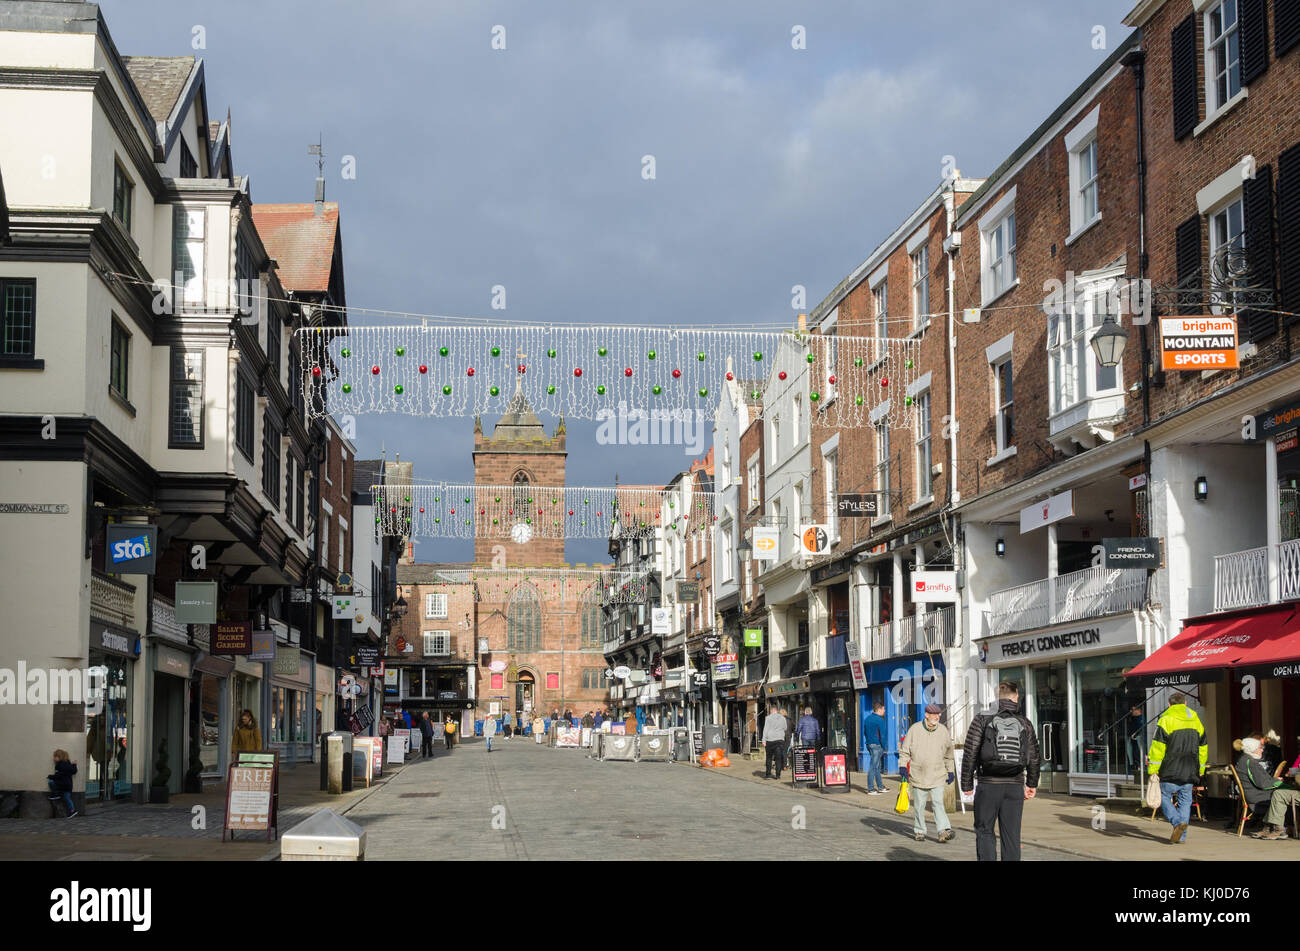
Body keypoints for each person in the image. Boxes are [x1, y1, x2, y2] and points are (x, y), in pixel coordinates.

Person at [960, 681, 1040, 861]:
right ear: (1016, 696)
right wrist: (1031, 784)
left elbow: (970, 752)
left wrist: (966, 784)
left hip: (988, 785)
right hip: (1014, 786)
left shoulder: (982, 719)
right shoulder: (1024, 722)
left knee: (984, 831)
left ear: (996, 697)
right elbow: (1034, 756)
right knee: (1011, 836)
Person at [1147, 690, 1208, 845]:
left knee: (1164, 797)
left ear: (1169, 704)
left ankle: (1176, 823)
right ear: (1185, 703)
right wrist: (1201, 769)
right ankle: (1181, 836)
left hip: (1170, 769)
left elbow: (1157, 748)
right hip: (1190, 770)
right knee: (1185, 801)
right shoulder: (1196, 720)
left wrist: (1153, 769)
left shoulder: (1166, 720)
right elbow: (1203, 747)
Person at [899, 704, 956, 843]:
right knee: (919, 805)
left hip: (937, 773)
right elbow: (905, 750)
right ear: (926, 715)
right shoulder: (915, 729)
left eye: (938, 714)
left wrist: (950, 770)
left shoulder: (943, 731)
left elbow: (949, 753)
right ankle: (919, 831)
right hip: (919, 774)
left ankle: (943, 830)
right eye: (933, 714)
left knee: (938, 803)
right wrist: (902, 766)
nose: (936, 717)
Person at [1237, 736, 1281, 833]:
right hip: (1257, 796)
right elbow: (1263, 784)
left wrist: (1273, 780)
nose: (1262, 750)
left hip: (1251, 794)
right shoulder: (1251, 762)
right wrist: (1278, 782)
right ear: (1252, 750)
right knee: (1283, 797)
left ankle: (1273, 826)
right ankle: (1280, 828)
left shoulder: (1243, 759)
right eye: (1259, 748)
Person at [863, 701, 887, 794]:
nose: (884, 711)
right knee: (873, 767)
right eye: (884, 709)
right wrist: (884, 746)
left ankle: (880, 787)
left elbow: (865, 732)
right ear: (879, 709)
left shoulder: (867, 719)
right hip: (877, 745)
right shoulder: (880, 720)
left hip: (869, 744)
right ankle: (871, 788)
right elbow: (883, 735)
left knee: (877, 766)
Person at [47, 749, 77, 818]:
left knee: (51, 782)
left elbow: (58, 775)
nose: (54, 758)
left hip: (61, 785)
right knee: (67, 797)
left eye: (55, 757)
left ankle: (55, 794)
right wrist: (74, 765)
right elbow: (74, 771)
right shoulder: (69, 764)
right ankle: (72, 811)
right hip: (68, 786)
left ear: (59, 757)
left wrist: (50, 776)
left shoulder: (59, 765)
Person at [762, 704, 789, 780]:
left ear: (771, 710)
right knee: (778, 758)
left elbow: (765, 729)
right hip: (780, 740)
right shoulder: (783, 718)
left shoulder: (768, 718)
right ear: (777, 710)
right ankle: (778, 775)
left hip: (770, 740)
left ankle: (768, 774)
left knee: (769, 758)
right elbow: (785, 728)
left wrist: (764, 740)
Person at [1125, 703, 1147, 781]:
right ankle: (1133, 769)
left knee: (1140, 756)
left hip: (1139, 741)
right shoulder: (1132, 719)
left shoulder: (1142, 719)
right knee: (1134, 756)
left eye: (1133, 709)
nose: (1131, 711)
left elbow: (1142, 730)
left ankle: (1141, 771)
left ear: (1139, 710)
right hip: (1133, 741)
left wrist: (1136, 735)